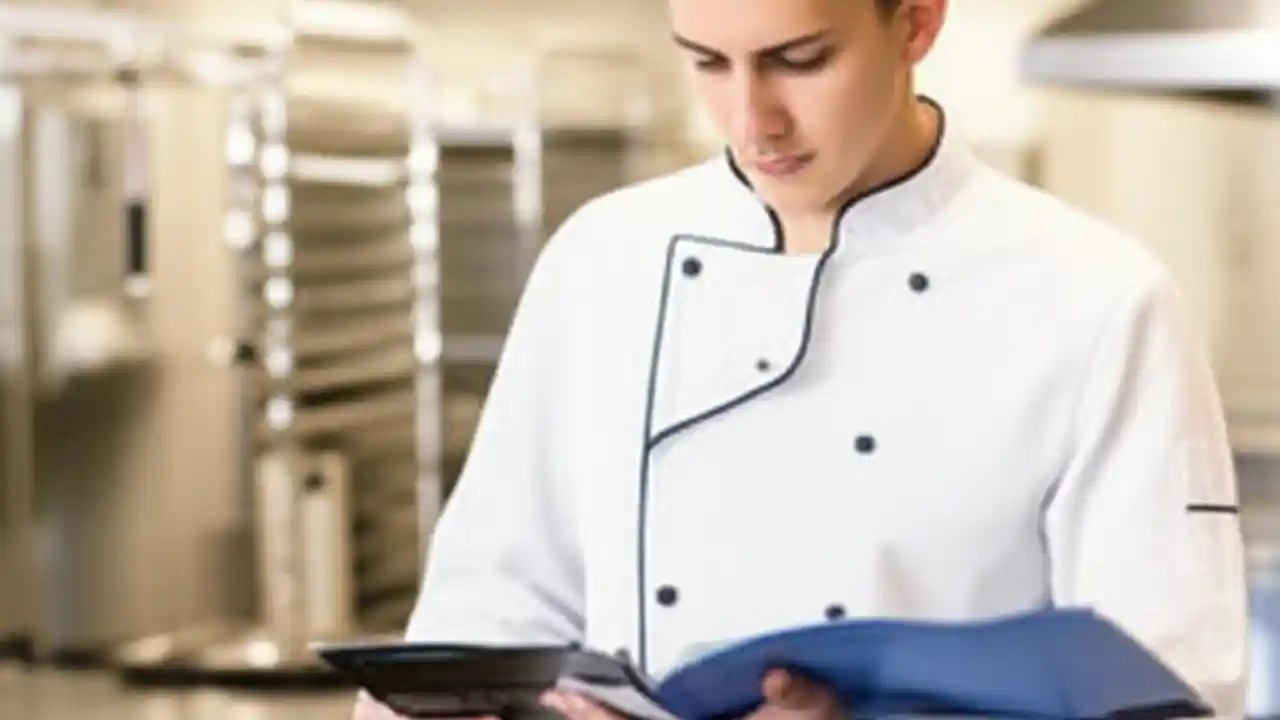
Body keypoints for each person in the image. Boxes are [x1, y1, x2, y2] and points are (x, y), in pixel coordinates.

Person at [354, 0, 1248, 717]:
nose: (754, 121)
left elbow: (1170, 696)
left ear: (917, 23)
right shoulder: (603, 260)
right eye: (707, 62)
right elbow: (486, 619)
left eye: (801, 59)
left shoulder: (1097, 297)